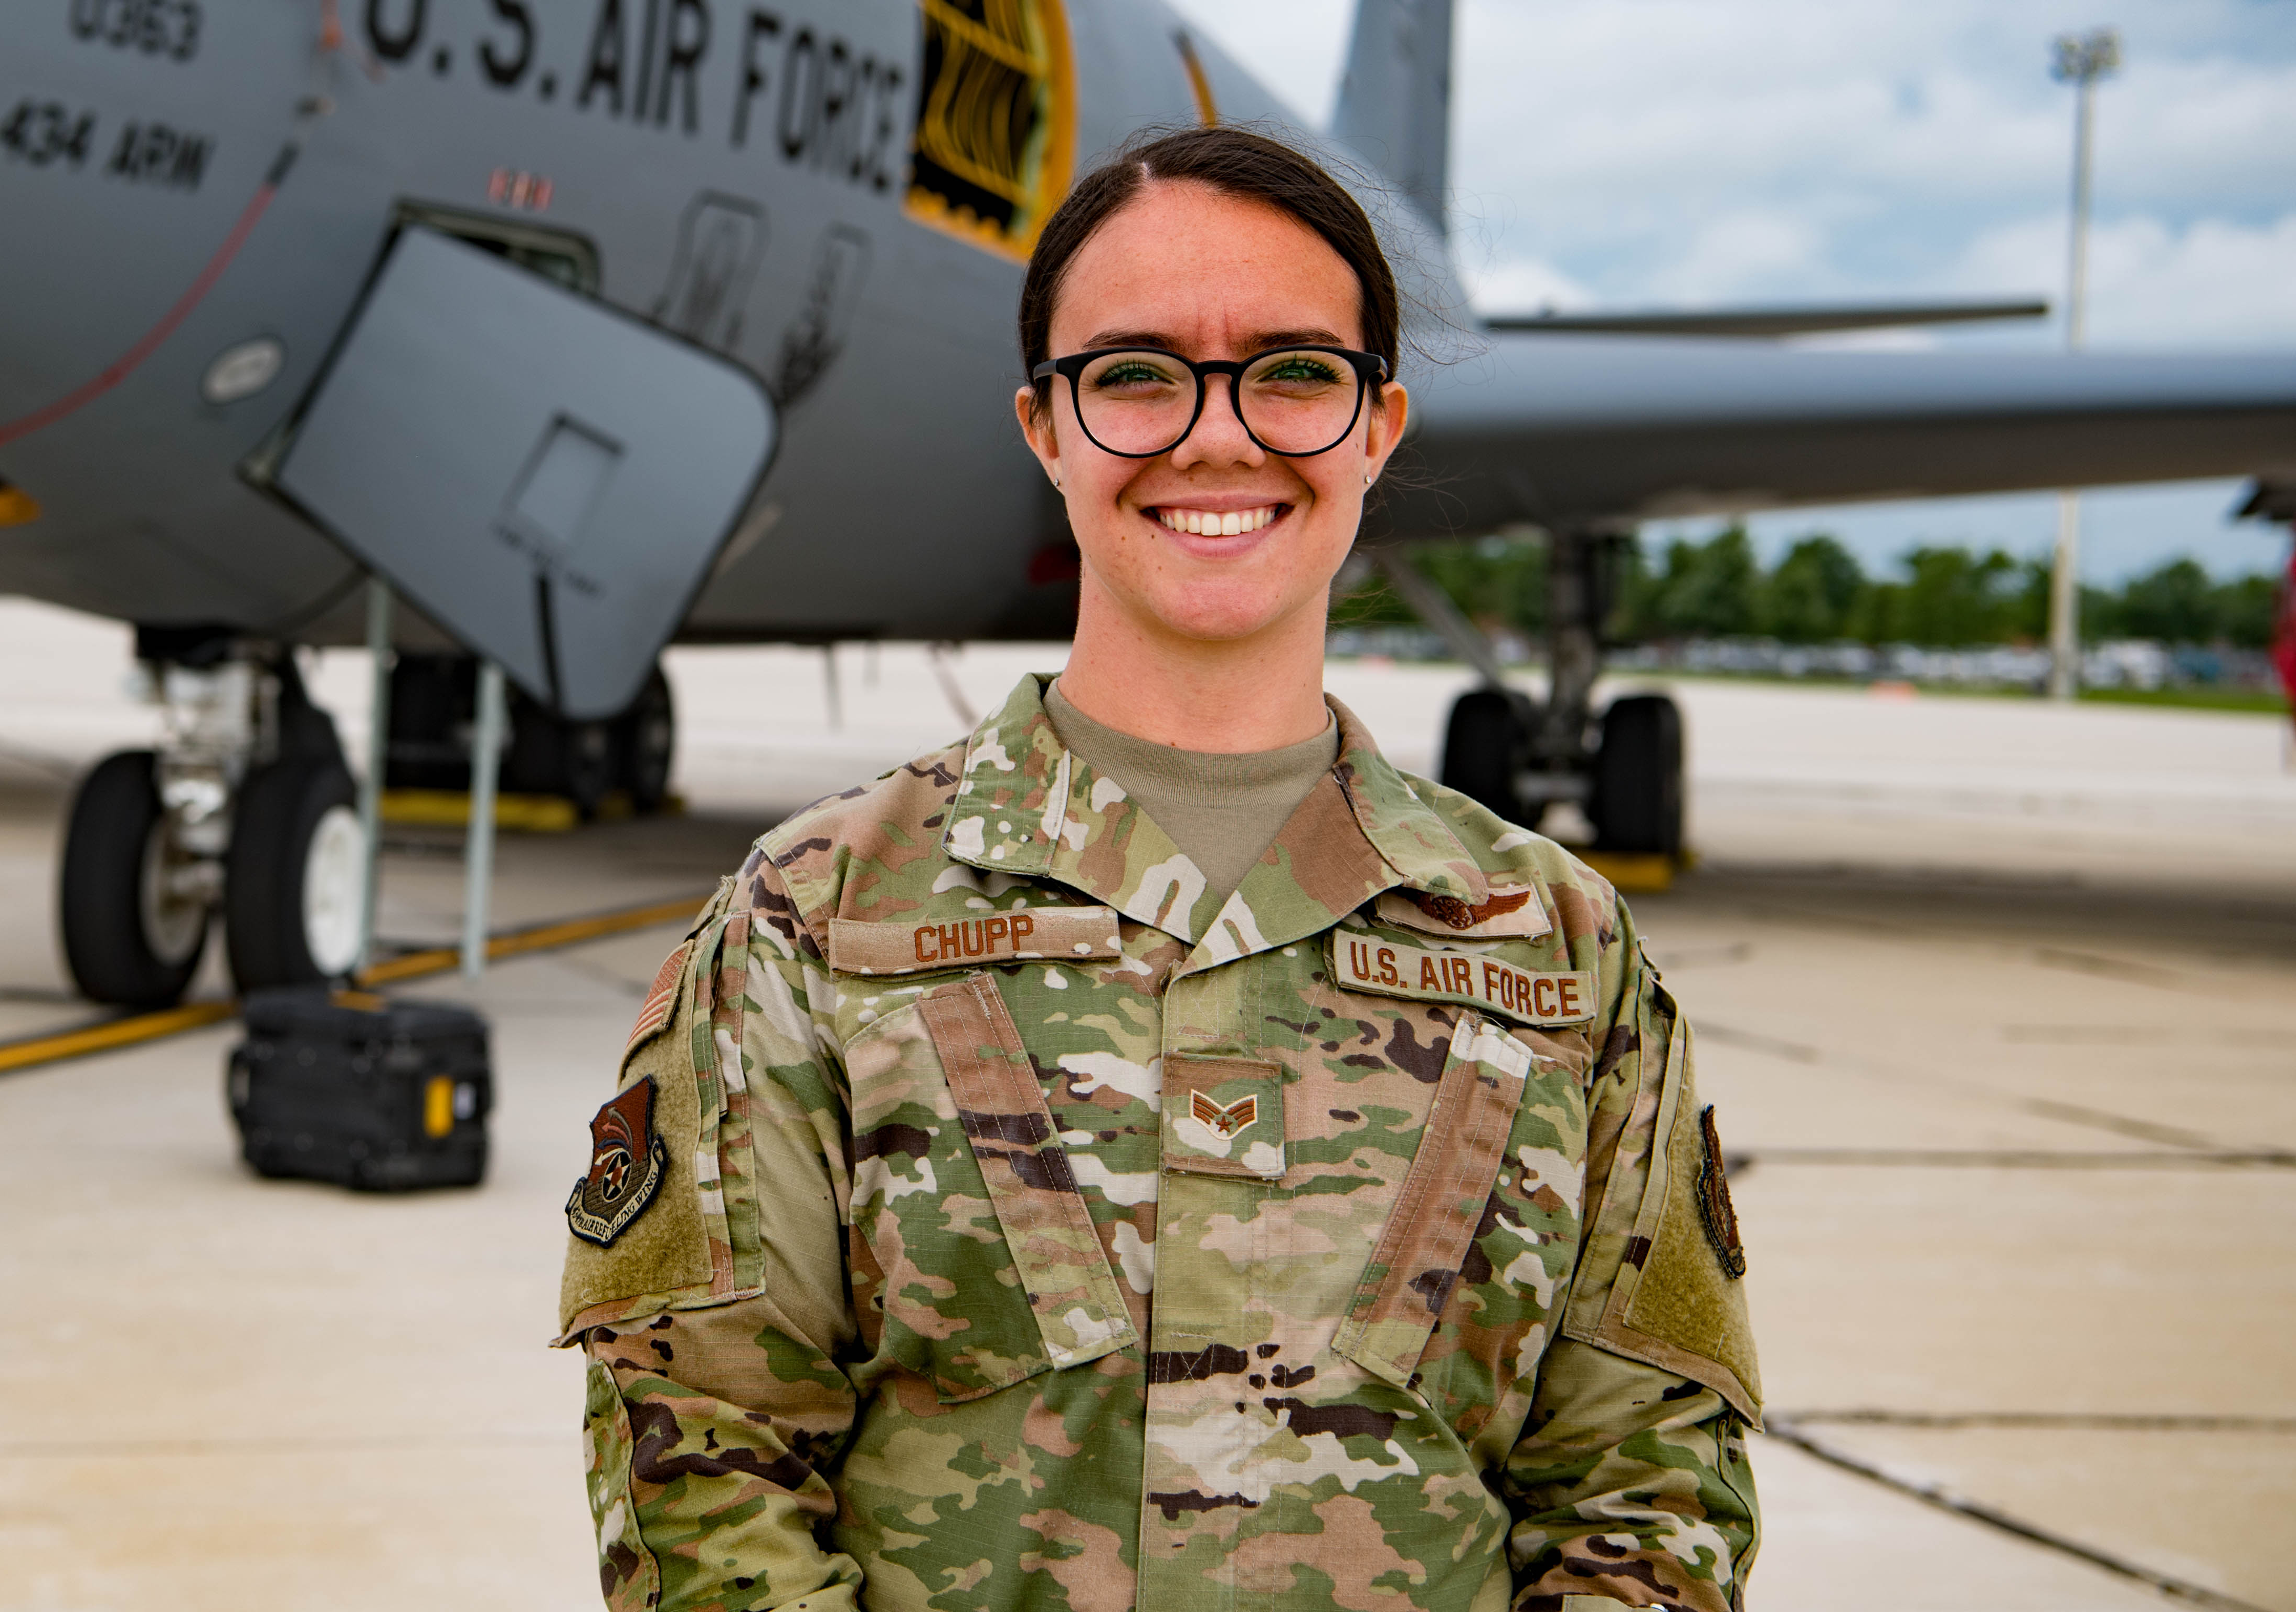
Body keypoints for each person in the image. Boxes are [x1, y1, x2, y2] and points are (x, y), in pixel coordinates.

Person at [558, 126, 1760, 1611]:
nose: (1216, 436)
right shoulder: (815, 920)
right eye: (1134, 374)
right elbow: (706, 1466)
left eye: (1293, 371)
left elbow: (1649, 1487)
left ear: (1377, 428)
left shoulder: (1557, 949)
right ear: (1045, 429)